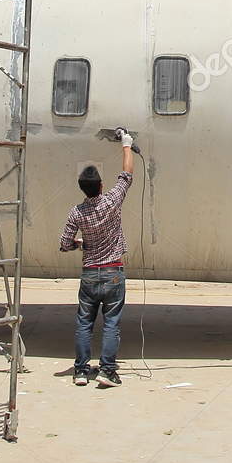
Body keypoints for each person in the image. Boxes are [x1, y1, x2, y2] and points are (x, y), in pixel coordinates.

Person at [59, 130, 135, 387]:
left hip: (90, 272)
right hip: (113, 271)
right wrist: (126, 146)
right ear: (101, 186)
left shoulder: (76, 213)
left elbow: (64, 244)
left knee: (84, 323)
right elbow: (126, 177)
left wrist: (81, 243)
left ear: (82, 188)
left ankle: (81, 371)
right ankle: (107, 370)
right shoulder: (111, 202)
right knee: (111, 324)